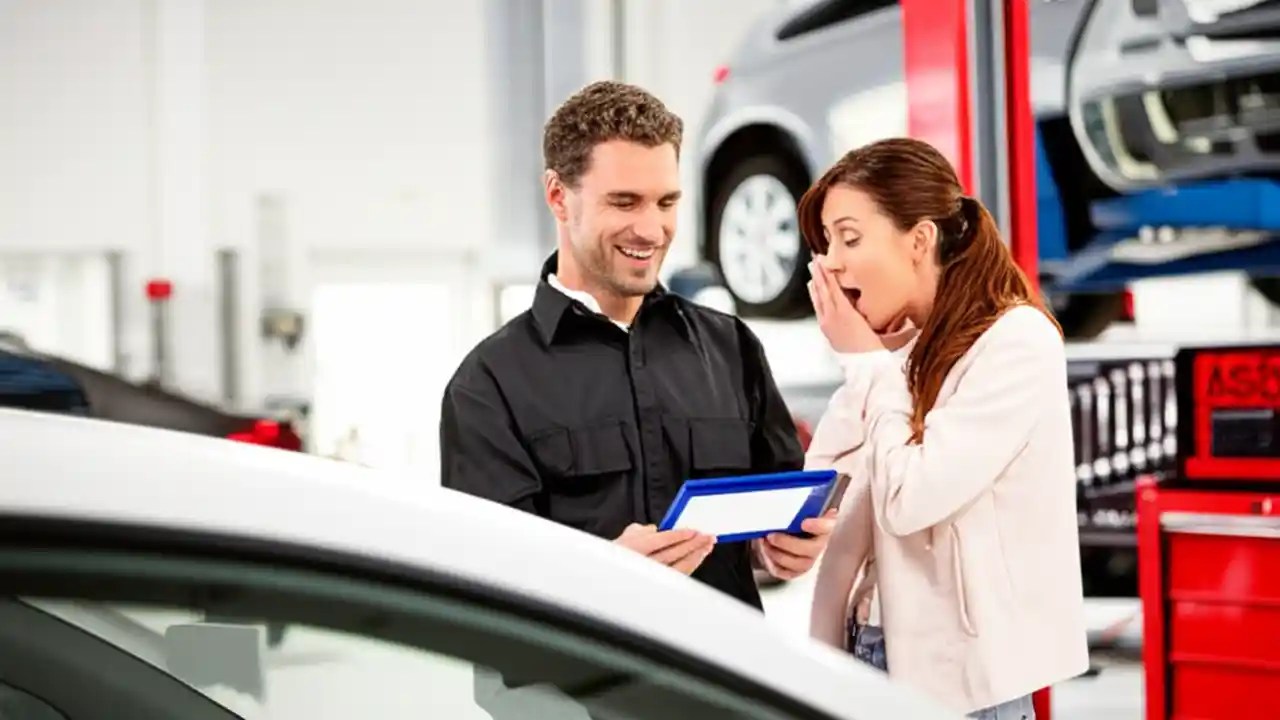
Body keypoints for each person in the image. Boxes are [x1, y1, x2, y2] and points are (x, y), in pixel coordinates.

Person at [439, 80, 835, 610]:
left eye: (666, 202)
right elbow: (480, 584)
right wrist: (603, 575)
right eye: (624, 202)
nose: (651, 229)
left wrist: (781, 549)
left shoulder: (730, 347)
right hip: (572, 690)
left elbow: (778, 516)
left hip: (722, 681)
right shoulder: (488, 385)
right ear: (559, 195)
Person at [800, 137, 1089, 718]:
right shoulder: (900, 353)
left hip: (962, 688)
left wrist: (865, 364)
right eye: (827, 241)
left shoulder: (1016, 342)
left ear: (920, 239)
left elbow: (912, 496)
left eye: (850, 238)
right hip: (868, 655)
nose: (830, 262)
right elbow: (823, 487)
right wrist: (866, 361)